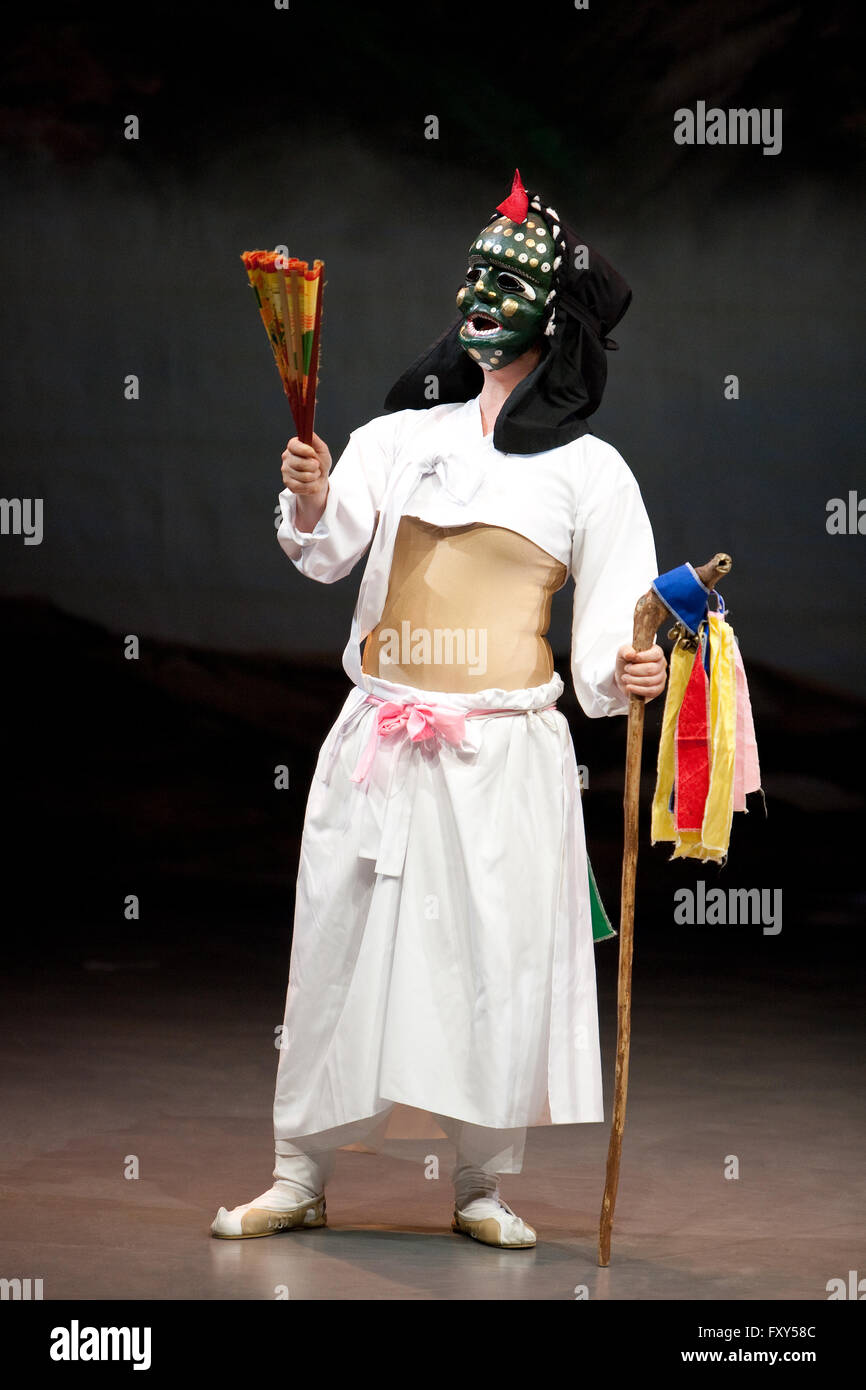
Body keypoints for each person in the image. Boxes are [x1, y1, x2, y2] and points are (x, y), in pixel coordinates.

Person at [211, 171, 666, 1249]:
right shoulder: (396, 436)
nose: (478, 292)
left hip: (503, 753)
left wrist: (627, 670)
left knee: (490, 964)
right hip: (382, 739)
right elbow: (326, 553)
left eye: (504, 277)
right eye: (472, 271)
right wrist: (314, 493)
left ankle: (477, 1184)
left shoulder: (590, 474)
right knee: (335, 949)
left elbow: (610, 627)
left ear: (551, 315)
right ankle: (296, 1170)